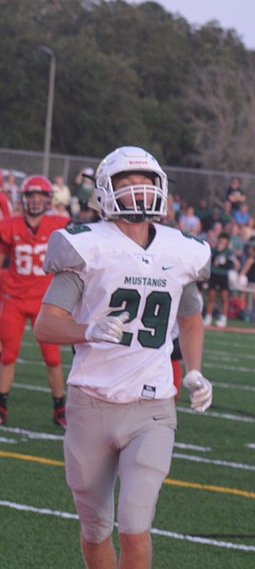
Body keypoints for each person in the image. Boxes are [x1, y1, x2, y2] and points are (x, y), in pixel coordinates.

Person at [33, 146, 214, 568]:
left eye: (146, 182)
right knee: (95, 528)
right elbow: (45, 325)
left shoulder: (179, 250)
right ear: (105, 191)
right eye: (127, 183)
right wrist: (88, 330)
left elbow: (190, 319)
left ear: (161, 187)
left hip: (151, 406)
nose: (139, 190)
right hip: (91, 402)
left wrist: (194, 371)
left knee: (135, 524)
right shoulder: (88, 246)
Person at [0, 175, 70, 427]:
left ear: (48, 199)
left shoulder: (59, 224)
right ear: (24, 198)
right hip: (14, 298)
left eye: (40, 196)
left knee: (52, 358)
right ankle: (2, 406)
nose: (36, 200)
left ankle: (60, 408)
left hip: (45, 301)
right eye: (31, 196)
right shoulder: (10, 225)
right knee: (7, 355)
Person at [203, 232, 239, 328]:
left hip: (223, 275)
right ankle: (208, 316)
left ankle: (223, 318)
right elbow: (210, 262)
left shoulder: (229, 252)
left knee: (224, 297)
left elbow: (233, 264)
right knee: (211, 296)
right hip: (214, 274)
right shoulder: (214, 250)